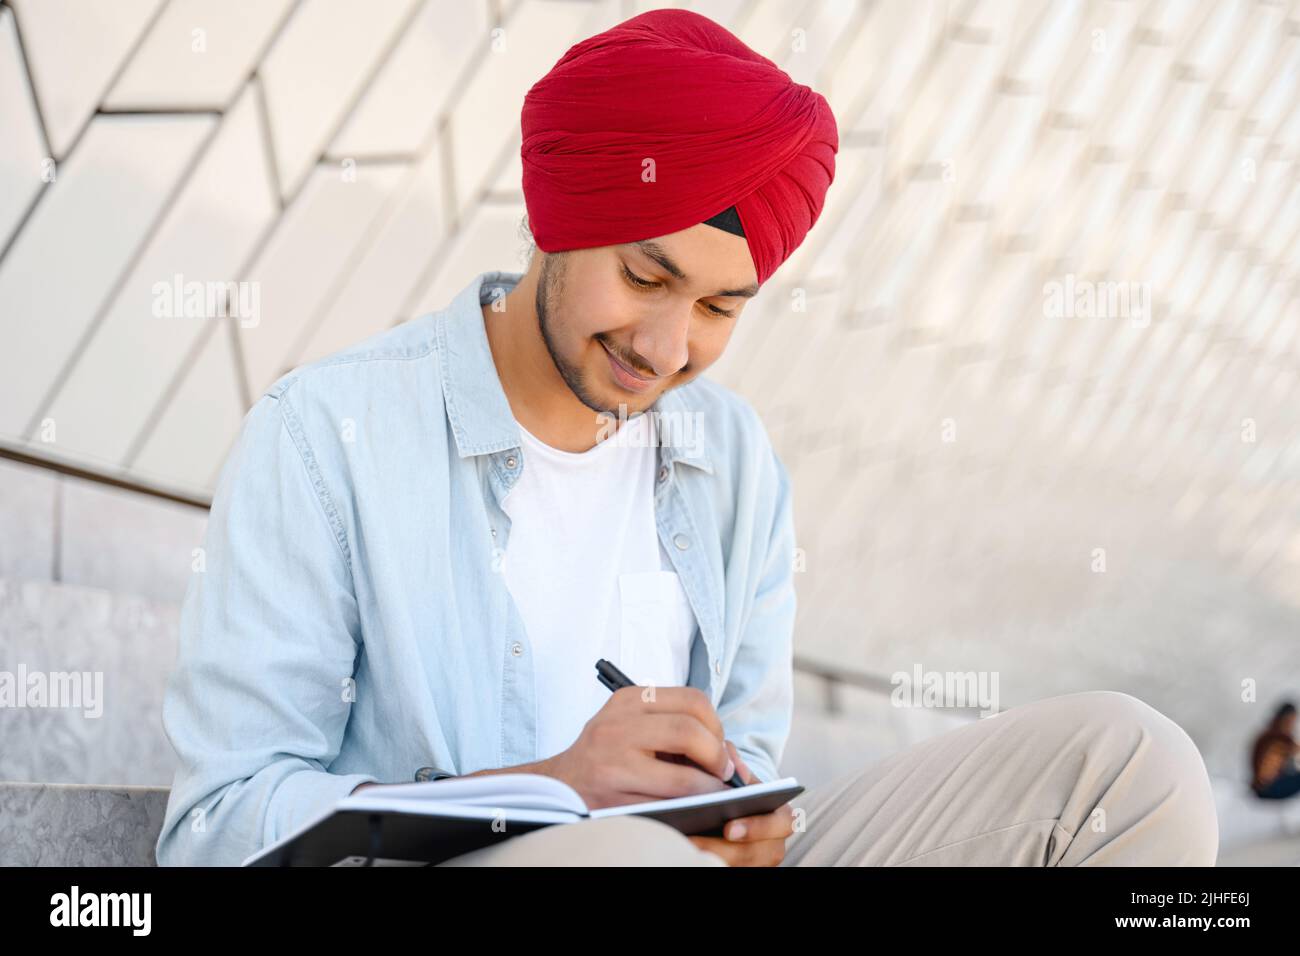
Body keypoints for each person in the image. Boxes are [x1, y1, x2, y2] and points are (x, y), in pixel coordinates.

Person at [155, 8, 1218, 867]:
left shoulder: (734, 458)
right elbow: (216, 829)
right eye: (647, 275)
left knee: (1131, 764)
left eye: (719, 309)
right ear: (556, 218)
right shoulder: (325, 440)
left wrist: (744, 825)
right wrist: (555, 793)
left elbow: (750, 766)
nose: (667, 347)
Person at [1250, 702, 1300, 800]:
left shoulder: (1269, 735)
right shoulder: (1275, 738)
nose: (1291, 724)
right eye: (1290, 720)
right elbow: (1267, 774)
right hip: (1266, 789)